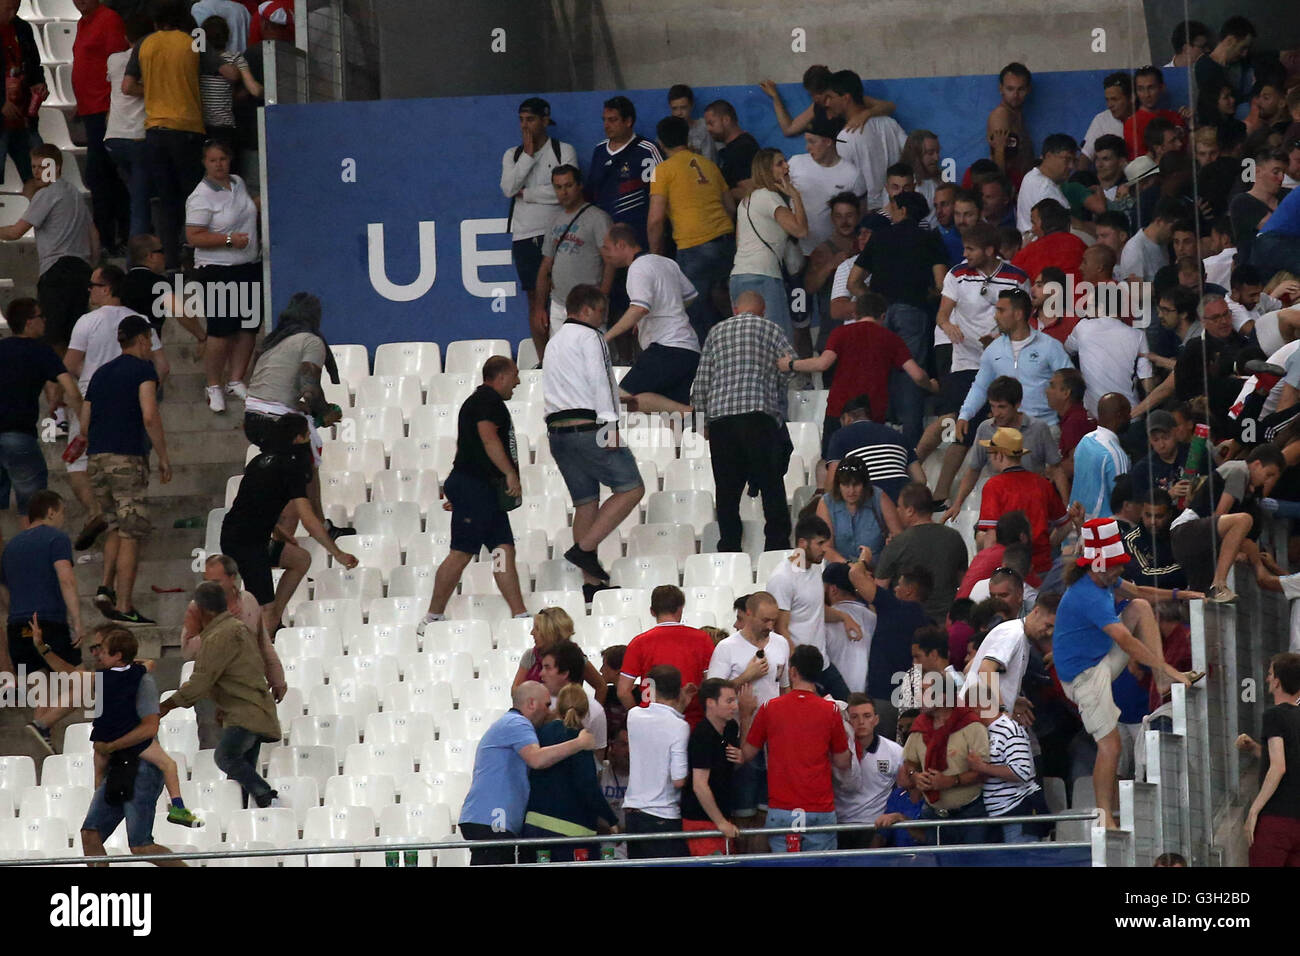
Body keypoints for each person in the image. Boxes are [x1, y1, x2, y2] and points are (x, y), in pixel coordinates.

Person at [1054, 518, 1195, 828]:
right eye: (1115, 566)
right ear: (1098, 565)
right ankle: (1104, 817)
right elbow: (1127, 641)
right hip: (1084, 678)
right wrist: (1172, 669)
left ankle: (1160, 680)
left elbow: (1137, 590)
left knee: (1141, 606)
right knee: (1111, 745)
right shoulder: (1087, 595)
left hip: (1100, 659)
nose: (1120, 570)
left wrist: (1181, 596)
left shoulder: (1106, 580)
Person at [542, 285, 645, 591]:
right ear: (586, 310)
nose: (603, 318)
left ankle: (590, 583)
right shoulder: (591, 337)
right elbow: (601, 381)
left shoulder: (554, 342)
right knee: (631, 488)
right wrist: (611, 424)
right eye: (601, 311)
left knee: (586, 504)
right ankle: (584, 550)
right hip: (589, 429)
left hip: (558, 432)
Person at [416, 356, 529, 629]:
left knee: (503, 549)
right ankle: (431, 617)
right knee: (461, 552)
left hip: (479, 488)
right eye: (514, 375)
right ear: (500, 376)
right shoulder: (488, 402)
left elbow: (464, 447)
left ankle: (520, 615)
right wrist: (510, 473)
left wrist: (458, 486)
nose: (518, 381)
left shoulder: (478, 402)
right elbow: (487, 437)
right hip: (476, 486)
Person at [221, 414, 358, 637]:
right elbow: (308, 519)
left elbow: (251, 502)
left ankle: (275, 617)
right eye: (307, 435)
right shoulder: (291, 467)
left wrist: (276, 529)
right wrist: (338, 553)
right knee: (263, 606)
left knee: (301, 559)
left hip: (244, 533)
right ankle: (263, 651)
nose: (309, 440)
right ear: (297, 439)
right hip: (247, 544)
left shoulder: (260, 460)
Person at [64, 265, 167, 550]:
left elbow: (70, 364)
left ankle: (96, 511)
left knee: (77, 463)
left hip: (92, 399)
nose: (89, 290)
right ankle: (123, 523)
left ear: (106, 288)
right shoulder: (140, 320)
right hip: (134, 403)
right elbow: (162, 366)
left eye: (92, 285)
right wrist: (149, 387)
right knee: (132, 468)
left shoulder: (87, 321)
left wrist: (93, 379)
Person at [80, 316, 171, 624]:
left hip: (96, 458)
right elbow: (149, 414)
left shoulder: (100, 373)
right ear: (143, 340)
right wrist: (163, 456)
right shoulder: (143, 370)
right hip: (126, 457)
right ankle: (125, 606)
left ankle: (106, 587)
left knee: (115, 525)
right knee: (131, 531)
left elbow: (84, 422)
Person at [161, 581, 283, 808]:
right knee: (239, 779)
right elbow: (237, 674)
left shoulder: (219, 636)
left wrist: (165, 706)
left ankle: (268, 796)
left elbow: (200, 681)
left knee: (225, 757)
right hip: (253, 710)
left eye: (189, 612)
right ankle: (253, 812)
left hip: (246, 714)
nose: (186, 620)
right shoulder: (236, 629)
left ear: (203, 611)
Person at [691, 290, 795, 552]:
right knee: (771, 484)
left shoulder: (716, 331)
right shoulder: (771, 329)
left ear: (736, 309)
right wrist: (775, 389)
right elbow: (789, 367)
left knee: (726, 491)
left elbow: (702, 381)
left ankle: (729, 547)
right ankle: (776, 545)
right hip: (758, 418)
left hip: (722, 422)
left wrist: (703, 421)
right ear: (762, 311)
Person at [845, 191, 948, 446]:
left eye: (892, 205)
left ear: (901, 210)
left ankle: (874, 441)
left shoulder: (879, 238)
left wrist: (874, 300)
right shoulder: (929, 239)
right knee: (911, 375)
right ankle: (910, 447)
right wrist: (929, 295)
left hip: (879, 314)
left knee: (876, 372)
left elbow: (853, 282)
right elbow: (942, 284)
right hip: (913, 312)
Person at [459, 681, 596, 865]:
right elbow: (537, 759)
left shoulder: (507, 723)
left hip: (488, 817)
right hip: (494, 817)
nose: (549, 711)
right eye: (547, 705)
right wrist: (579, 743)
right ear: (531, 703)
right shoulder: (517, 723)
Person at [242, 291, 341, 538]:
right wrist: (325, 412)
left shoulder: (274, 341)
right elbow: (309, 388)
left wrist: (303, 407)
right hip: (277, 419)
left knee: (307, 470)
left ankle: (322, 527)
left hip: (254, 417)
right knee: (295, 481)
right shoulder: (311, 341)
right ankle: (280, 545)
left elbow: (270, 385)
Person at [784, 292, 937, 451]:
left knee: (831, 461)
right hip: (873, 413)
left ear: (855, 314)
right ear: (883, 316)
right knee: (868, 462)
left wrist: (790, 364)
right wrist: (931, 386)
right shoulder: (891, 339)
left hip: (839, 410)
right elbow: (917, 375)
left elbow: (822, 364)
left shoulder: (840, 333)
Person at [742, 644, 852, 852]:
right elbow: (842, 762)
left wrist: (745, 715)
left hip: (781, 808)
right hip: (819, 808)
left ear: (792, 672)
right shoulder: (831, 711)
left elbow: (747, 753)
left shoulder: (769, 708)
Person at [123, 0, 205, 270]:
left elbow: (128, 85)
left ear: (156, 22)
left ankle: (170, 263)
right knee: (194, 200)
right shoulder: (191, 41)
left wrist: (155, 91)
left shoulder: (144, 44)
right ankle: (195, 257)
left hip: (155, 131)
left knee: (167, 203)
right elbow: (219, 70)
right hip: (187, 129)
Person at [0, 490, 83, 750]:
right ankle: (42, 725)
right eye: (61, 513)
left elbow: (3, 590)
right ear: (50, 511)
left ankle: (44, 755)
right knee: (84, 684)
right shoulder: (56, 538)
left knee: (41, 693)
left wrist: (17, 612)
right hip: (49, 623)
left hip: (17, 626)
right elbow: (66, 578)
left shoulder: (11, 546)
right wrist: (78, 619)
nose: (62, 519)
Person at [186, 139, 261, 411]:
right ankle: (214, 385)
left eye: (223, 159)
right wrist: (229, 241)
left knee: (248, 325)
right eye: (213, 160)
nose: (219, 164)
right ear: (205, 163)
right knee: (221, 330)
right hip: (218, 268)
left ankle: (236, 379)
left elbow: (246, 208)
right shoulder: (200, 196)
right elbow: (193, 236)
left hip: (248, 264)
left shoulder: (238, 182)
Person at [0, 144, 96, 352]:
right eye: (34, 167)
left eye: (43, 166)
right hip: (82, 270)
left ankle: (56, 383)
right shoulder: (74, 193)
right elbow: (93, 234)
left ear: (57, 167)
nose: (36, 171)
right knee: (74, 342)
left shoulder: (47, 194)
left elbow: (16, 232)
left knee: (52, 340)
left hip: (57, 272)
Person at [648, 114, 735, 343]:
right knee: (727, 309)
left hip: (693, 246)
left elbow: (655, 220)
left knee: (697, 317)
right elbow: (730, 207)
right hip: (726, 244)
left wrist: (656, 259)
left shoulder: (663, 170)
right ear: (686, 138)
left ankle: (712, 370)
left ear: (660, 142)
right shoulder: (709, 165)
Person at [706, 591, 789, 828]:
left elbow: (784, 688)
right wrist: (745, 677)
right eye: (765, 620)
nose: (771, 625)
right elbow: (711, 693)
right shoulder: (727, 647)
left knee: (768, 809)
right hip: (740, 735)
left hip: (773, 736)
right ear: (749, 613)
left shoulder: (781, 643)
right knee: (743, 810)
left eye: (774, 620)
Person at [600, 223, 700, 415]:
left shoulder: (637, 268)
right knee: (671, 420)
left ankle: (690, 413)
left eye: (607, 247)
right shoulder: (666, 263)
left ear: (621, 245)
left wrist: (605, 337)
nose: (604, 253)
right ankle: (690, 419)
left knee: (621, 397)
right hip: (689, 349)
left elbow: (639, 308)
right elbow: (690, 296)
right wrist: (661, 311)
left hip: (666, 347)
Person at [1170, 443, 1285, 603]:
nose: (1268, 481)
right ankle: (1219, 584)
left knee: (1199, 600)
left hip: (1200, 542)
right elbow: (1220, 515)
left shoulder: (1252, 490)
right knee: (1244, 520)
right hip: (1186, 530)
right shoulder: (1239, 471)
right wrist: (1236, 552)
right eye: (1268, 474)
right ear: (1257, 464)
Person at [766, 515, 864, 702]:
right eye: (820, 544)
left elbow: (816, 609)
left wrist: (844, 617)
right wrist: (800, 669)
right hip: (803, 669)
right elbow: (780, 629)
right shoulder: (782, 578)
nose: (824, 550)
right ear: (803, 543)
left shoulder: (814, 569)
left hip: (822, 662)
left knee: (849, 708)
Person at [946, 374, 1067, 521]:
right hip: (999, 503)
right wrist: (957, 503)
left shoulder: (1038, 429)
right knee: (982, 539)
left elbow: (1056, 468)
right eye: (992, 406)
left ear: (1017, 404)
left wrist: (1065, 504)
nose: (996, 413)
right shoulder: (985, 429)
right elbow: (974, 469)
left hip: (1033, 505)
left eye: (1002, 407)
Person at [521, 683, 618, 862]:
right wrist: (612, 820)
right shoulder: (582, 739)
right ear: (586, 712)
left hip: (533, 827)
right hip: (572, 832)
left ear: (557, 707)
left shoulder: (537, 734)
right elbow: (587, 785)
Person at [0, 300, 82, 514]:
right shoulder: (41, 352)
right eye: (40, 316)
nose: (45, 320)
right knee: (32, 509)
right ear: (29, 323)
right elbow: (71, 390)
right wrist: (84, 422)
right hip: (19, 435)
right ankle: (32, 545)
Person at [500, 97, 578, 321]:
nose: (525, 125)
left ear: (545, 121)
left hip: (556, 234)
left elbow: (565, 193)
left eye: (531, 119)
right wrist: (528, 154)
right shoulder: (512, 155)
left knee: (562, 296)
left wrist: (527, 193)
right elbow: (508, 188)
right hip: (524, 236)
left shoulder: (563, 151)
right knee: (535, 302)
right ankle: (544, 356)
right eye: (522, 120)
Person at [530, 164, 614, 362]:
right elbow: (545, 266)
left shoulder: (597, 218)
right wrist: (540, 307)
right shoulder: (554, 220)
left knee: (594, 361)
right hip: (559, 304)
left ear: (579, 186)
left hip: (589, 305)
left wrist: (602, 298)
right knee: (561, 361)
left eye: (568, 186)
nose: (563, 192)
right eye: (558, 187)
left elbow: (610, 262)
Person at [180, 553, 287, 701]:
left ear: (232, 578)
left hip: (248, 686)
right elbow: (187, 652)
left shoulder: (248, 601)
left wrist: (277, 680)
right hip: (213, 690)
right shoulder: (197, 607)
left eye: (216, 582)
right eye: (206, 582)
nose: (210, 588)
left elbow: (263, 644)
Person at [900, 670, 991, 844]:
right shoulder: (920, 726)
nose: (918, 696)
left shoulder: (971, 726)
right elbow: (909, 762)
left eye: (924, 692)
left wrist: (951, 781)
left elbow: (983, 771)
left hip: (969, 816)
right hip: (933, 815)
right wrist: (915, 776)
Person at [729, 147, 808, 341]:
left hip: (738, 276)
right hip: (764, 276)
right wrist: (795, 196)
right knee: (777, 340)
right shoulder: (768, 196)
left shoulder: (745, 202)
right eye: (780, 163)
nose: (786, 166)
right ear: (767, 170)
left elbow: (739, 243)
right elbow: (801, 230)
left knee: (749, 342)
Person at [71, 0, 129, 255]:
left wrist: (110, 108)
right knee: (105, 175)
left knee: (101, 174)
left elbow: (117, 65)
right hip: (90, 108)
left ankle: (110, 237)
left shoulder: (109, 19)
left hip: (103, 109)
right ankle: (117, 236)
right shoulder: (83, 22)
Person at [976, 427, 1073, 579]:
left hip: (1010, 571)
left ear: (999, 455)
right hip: (1043, 569)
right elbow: (1066, 526)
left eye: (991, 453)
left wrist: (990, 571)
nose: (990, 458)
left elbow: (991, 536)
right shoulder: (1043, 484)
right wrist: (1047, 545)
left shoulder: (993, 486)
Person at [617, 585, 717, 728]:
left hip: (651, 720)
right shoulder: (702, 639)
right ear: (680, 608)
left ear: (652, 611)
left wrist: (639, 716)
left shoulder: (638, 643)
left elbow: (622, 691)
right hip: (693, 721)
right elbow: (712, 684)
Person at [681, 678, 757, 855]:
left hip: (722, 814)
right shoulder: (702, 735)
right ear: (710, 703)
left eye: (735, 701)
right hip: (702, 819)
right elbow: (699, 785)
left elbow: (739, 756)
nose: (735, 707)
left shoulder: (730, 727)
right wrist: (721, 822)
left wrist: (741, 756)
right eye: (729, 701)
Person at [875, 482, 970, 623]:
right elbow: (964, 584)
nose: (897, 510)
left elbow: (879, 590)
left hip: (909, 624)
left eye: (900, 506)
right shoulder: (954, 537)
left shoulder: (898, 543)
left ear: (910, 510)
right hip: (947, 622)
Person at [624, 663, 692, 858]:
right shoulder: (680, 726)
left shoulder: (633, 716)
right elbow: (678, 779)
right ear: (678, 690)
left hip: (633, 815)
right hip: (663, 815)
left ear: (650, 688)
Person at [1239, 653, 1300, 866]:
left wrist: (1254, 810)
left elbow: (1279, 766)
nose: (1267, 679)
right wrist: (1256, 749)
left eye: (1270, 674)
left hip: (1276, 820)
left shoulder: (1274, 715)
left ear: (1277, 682)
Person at [821, 69, 906, 212]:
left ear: (846, 98)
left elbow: (849, 188)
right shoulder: (890, 123)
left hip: (870, 213)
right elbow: (910, 153)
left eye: (830, 97)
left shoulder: (845, 137)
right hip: (899, 209)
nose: (827, 103)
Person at [963, 592, 1060, 717]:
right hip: (978, 716)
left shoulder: (1019, 636)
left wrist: (1012, 699)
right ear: (1036, 611)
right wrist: (1002, 709)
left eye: (1054, 628)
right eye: (1048, 625)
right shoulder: (1013, 634)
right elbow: (986, 669)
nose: (1049, 632)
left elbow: (977, 670)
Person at [586, 95, 662, 248]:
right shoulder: (599, 150)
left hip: (639, 238)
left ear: (628, 121)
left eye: (612, 120)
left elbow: (662, 194)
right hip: (607, 237)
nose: (606, 125)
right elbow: (591, 191)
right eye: (604, 120)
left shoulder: (648, 150)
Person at [823, 394, 926, 504]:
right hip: (904, 502)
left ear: (847, 418)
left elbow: (831, 484)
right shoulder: (898, 435)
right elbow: (920, 479)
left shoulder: (840, 436)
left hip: (868, 501)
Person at [834, 695, 906, 849]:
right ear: (847, 721)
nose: (861, 722)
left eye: (867, 716)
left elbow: (904, 792)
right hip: (838, 825)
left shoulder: (894, 752)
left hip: (874, 827)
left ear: (876, 720)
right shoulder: (836, 752)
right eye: (854, 717)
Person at [103, 14, 152, 240]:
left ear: (126, 36)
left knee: (136, 196)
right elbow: (129, 88)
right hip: (138, 138)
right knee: (140, 204)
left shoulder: (113, 60)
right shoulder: (150, 58)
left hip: (113, 138)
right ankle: (138, 260)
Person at [968, 703, 1045, 842]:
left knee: (1021, 861)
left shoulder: (1009, 729)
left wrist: (982, 767)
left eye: (968, 709)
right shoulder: (986, 732)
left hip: (1018, 812)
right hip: (998, 815)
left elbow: (1021, 771)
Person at [1063, 306, 1155, 419]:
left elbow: (1066, 350)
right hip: (1130, 416)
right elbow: (1148, 386)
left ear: (1098, 308)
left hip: (1095, 418)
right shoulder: (1138, 335)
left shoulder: (1083, 327)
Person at [510, 606, 606, 702]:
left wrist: (593, 714)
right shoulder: (530, 656)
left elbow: (601, 686)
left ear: (550, 632)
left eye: (537, 629)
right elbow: (515, 690)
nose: (532, 633)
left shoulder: (576, 657)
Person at [816, 457, 900, 563]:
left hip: (877, 570)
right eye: (846, 485)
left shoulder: (879, 497)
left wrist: (892, 543)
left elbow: (899, 537)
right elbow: (825, 548)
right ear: (838, 485)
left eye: (856, 485)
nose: (851, 491)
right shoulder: (826, 503)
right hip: (840, 569)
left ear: (864, 485)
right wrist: (850, 566)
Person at [539, 639, 608, 760]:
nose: (541, 673)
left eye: (547, 668)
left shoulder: (595, 710)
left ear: (565, 673)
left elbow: (598, 759)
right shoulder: (535, 702)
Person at [1071, 392, 1132, 521]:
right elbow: (1123, 507)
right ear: (1120, 416)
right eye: (1128, 413)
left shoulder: (1084, 441)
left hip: (1076, 523)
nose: (1130, 417)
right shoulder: (1115, 454)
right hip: (1102, 532)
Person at [1231, 149, 1289, 264]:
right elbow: (1274, 229)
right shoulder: (1242, 202)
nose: (1281, 177)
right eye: (1276, 172)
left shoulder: (1287, 195)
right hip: (1256, 271)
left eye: (1284, 172)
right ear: (1257, 172)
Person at [1122, 490, 1188, 592]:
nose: (1153, 522)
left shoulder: (1180, 531)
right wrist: (1182, 570)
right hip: (1149, 599)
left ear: (1169, 514)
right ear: (1141, 513)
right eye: (1148, 515)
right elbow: (1144, 578)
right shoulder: (1131, 540)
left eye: (1159, 516)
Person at [1016, 134, 1077, 234]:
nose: (1071, 166)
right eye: (1067, 159)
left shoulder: (1030, 176)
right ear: (1048, 156)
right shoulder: (1046, 187)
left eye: (1074, 161)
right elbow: (1068, 228)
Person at [987, 63, 1034, 188]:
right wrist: (1005, 192)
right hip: (1010, 190)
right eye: (1010, 89)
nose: (1015, 95)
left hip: (1023, 185)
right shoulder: (1001, 115)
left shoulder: (1017, 115)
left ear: (1028, 89)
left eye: (1021, 89)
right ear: (1001, 88)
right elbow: (999, 155)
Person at [703, 99, 759, 201]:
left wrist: (719, 193)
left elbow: (749, 191)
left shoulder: (743, 148)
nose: (708, 129)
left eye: (711, 123)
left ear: (726, 120)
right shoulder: (732, 148)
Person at [1079, 72, 1133, 168]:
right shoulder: (1101, 120)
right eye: (1107, 100)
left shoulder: (1143, 118)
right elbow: (1085, 157)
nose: (1110, 105)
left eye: (1114, 99)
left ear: (1131, 98)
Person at [667, 83, 718, 163]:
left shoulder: (703, 128)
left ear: (691, 105)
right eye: (674, 109)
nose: (679, 113)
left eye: (683, 107)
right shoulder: (666, 131)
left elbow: (709, 161)